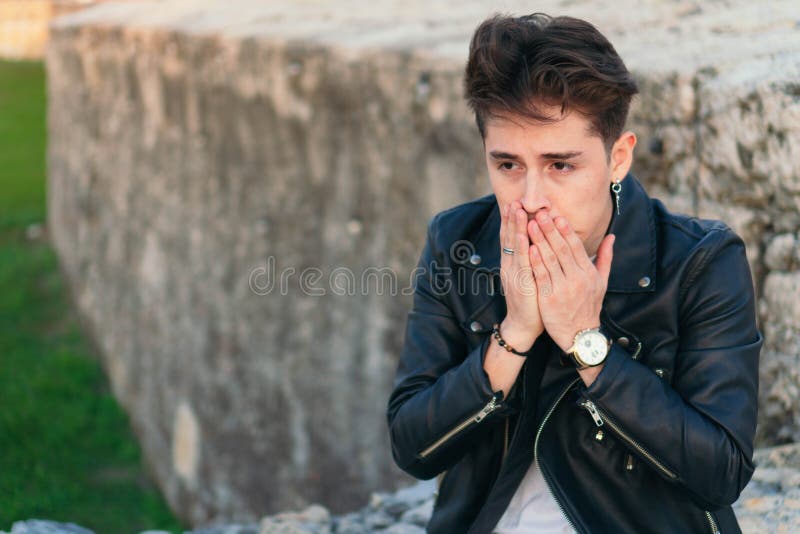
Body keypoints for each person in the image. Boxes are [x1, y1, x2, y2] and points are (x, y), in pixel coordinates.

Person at [386, 12, 762, 534]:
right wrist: (514, 335)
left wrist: (587, 341)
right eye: (508, 165)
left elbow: (720, 473)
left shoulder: (700, 262)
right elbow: (412, 446)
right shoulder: (458, 243)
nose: (532, 199)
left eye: (561, 165)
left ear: (618, 159)